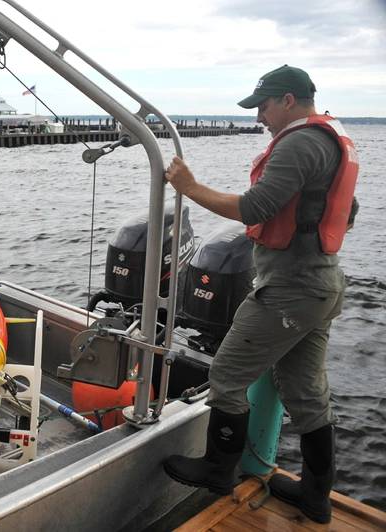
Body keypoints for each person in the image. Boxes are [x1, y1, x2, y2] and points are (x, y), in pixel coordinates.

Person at [161, 65, 358, 524]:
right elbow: (346, 213)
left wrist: (189, 188)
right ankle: (315, 496)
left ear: (289, 100)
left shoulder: (301, 142)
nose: (259, 117)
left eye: (263, 107)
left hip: (290, 289)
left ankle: (217, 470)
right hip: (321, 283)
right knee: (307, 392)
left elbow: (255, 207)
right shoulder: (330, 139)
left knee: (228, 373)